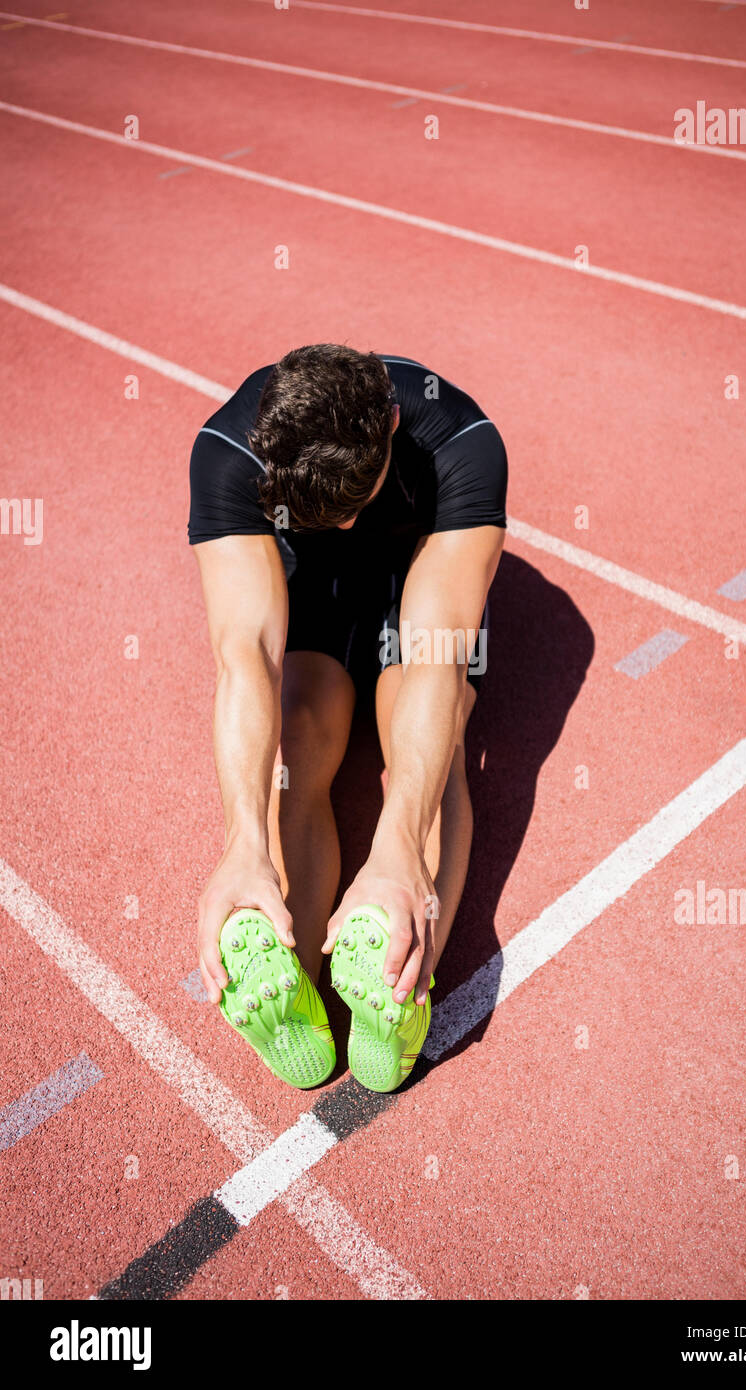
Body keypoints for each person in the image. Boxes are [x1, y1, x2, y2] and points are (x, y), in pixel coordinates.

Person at [188, 344, 507, 1089]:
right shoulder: (229, 453)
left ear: (393, 422)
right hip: (312, 595)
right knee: (297, 731)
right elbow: (245, 658)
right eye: (313, 514)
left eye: (350, 508)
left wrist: (395, 846)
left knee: (427, 743)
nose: (338, 528)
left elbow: (435, 660)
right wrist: (242, 845)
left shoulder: (463, 444)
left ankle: (399, 982)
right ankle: (291, 977)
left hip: (418, 575)